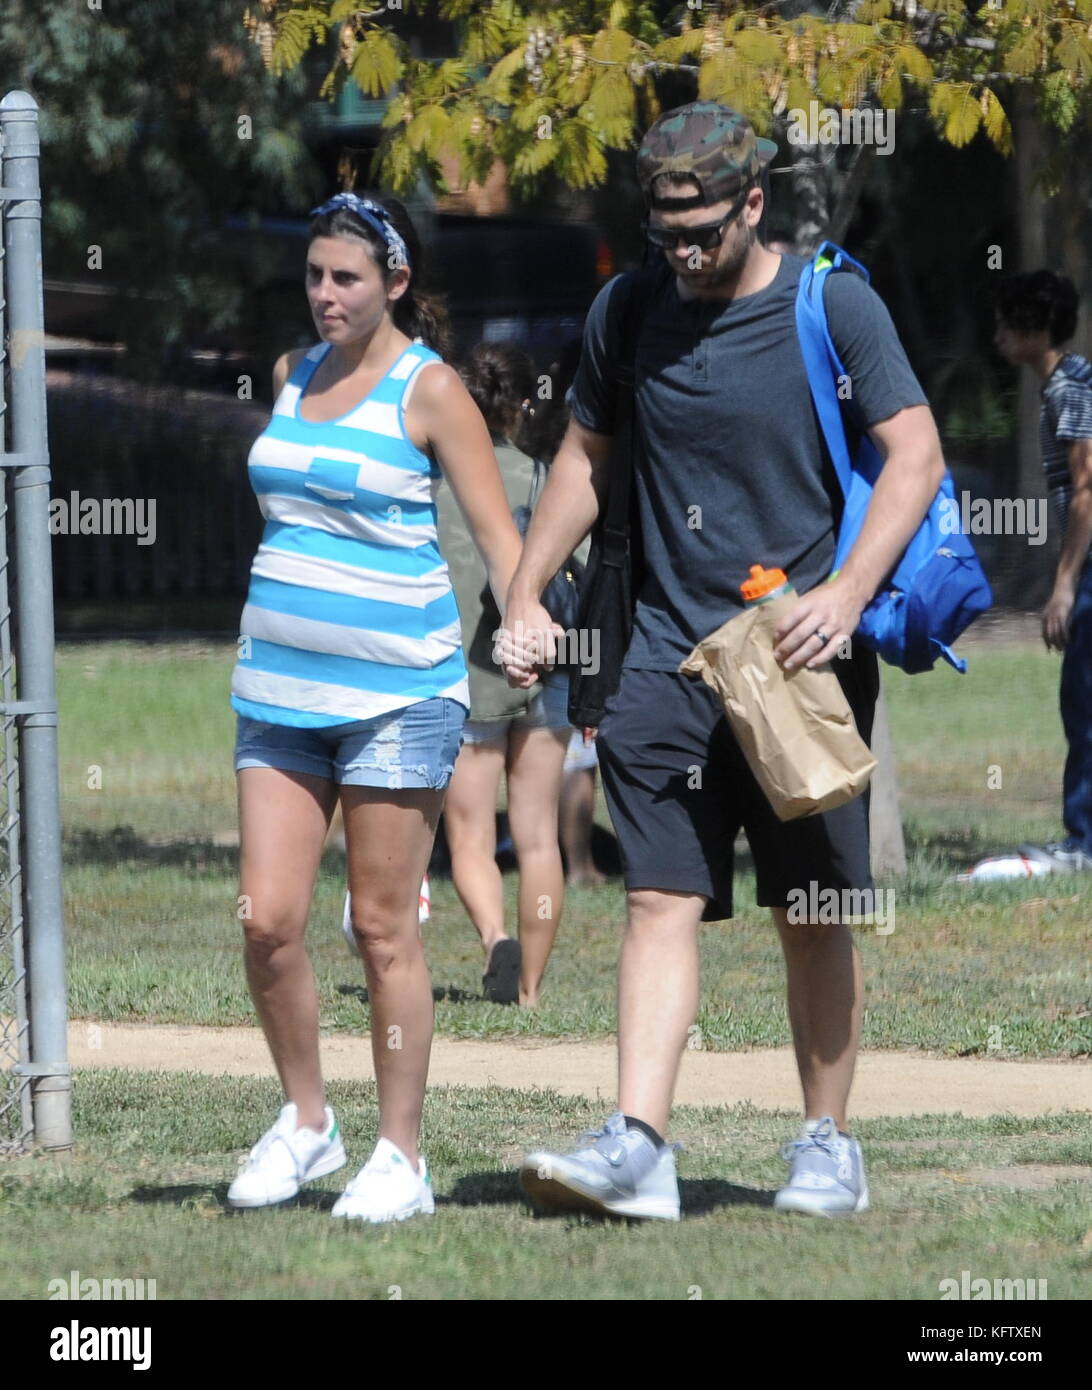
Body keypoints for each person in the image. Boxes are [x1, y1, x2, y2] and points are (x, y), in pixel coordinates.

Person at [499, 101, 944, 1220]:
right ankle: (640, 1146)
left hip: (798, 655)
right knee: (658, 896)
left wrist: (846, 595)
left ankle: (828, 1144)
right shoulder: (632, 307)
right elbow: (584, 461)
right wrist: (521, 590)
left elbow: (916, 454)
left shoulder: (832, 304)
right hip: (664, 652)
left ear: (754, 202)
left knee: (814, 910)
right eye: (669, 233)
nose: (687, 254)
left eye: (705, 231)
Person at [226, 191, 522, 1222]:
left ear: (395, 283)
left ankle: (401, 1155)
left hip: (400, 695)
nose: (324, 295)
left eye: (346, 277)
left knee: (383, 928)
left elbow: (499, 538)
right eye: (314, 276)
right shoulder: (290, 375)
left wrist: (524, 625)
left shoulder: (430, 389)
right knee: (266, 920)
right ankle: (309, 1124)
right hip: (277, 692)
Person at [436, 342, 572, 1006]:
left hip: (470, 673)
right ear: (522, 407)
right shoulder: (549, 479)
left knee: (469, 834)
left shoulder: (434, 484)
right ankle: (532, 993)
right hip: (549, 669)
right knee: (540, 835)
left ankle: (496, 941)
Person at [994, 270, 1092, 871]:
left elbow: (1086, 491)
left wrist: (1064, 586)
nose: (998, 334)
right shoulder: (1067, 384)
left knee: (1081, 698)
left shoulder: (1069, 390)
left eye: (1008, 323)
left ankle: (1084, 842)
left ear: (1036, 329)